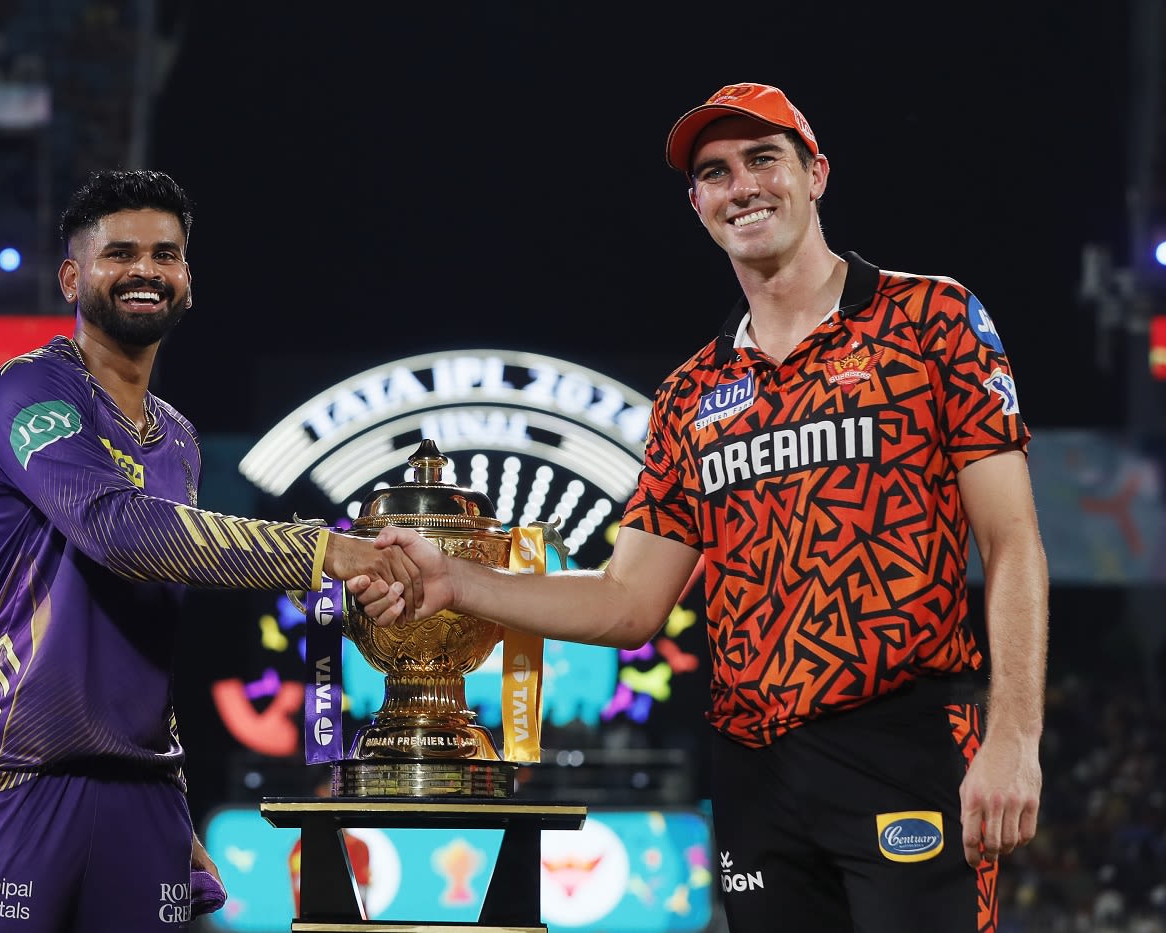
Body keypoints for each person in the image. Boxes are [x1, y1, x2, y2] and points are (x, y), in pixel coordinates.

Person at [356, 83, 1049, 932]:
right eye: (715, 172)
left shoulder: (931, 318)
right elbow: (627, 600)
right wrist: (454, 583)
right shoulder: (690, 394)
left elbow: (1011, 541)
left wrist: (1015, 733)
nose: (742, 186)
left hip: (906, 747)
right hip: (757, 775)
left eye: (765, 159)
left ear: (816, 173)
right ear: (698, 203)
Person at [0, 169, 422, 932]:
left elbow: (147, 628)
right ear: (72, 276)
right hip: (14, 778)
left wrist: (171, 800)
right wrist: (323, 551)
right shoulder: (28, 394)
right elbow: (119, 532)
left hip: (143, 798)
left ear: (187, 277)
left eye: (167, 254)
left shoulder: (180, 439)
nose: (146, 270)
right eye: (119, 252)